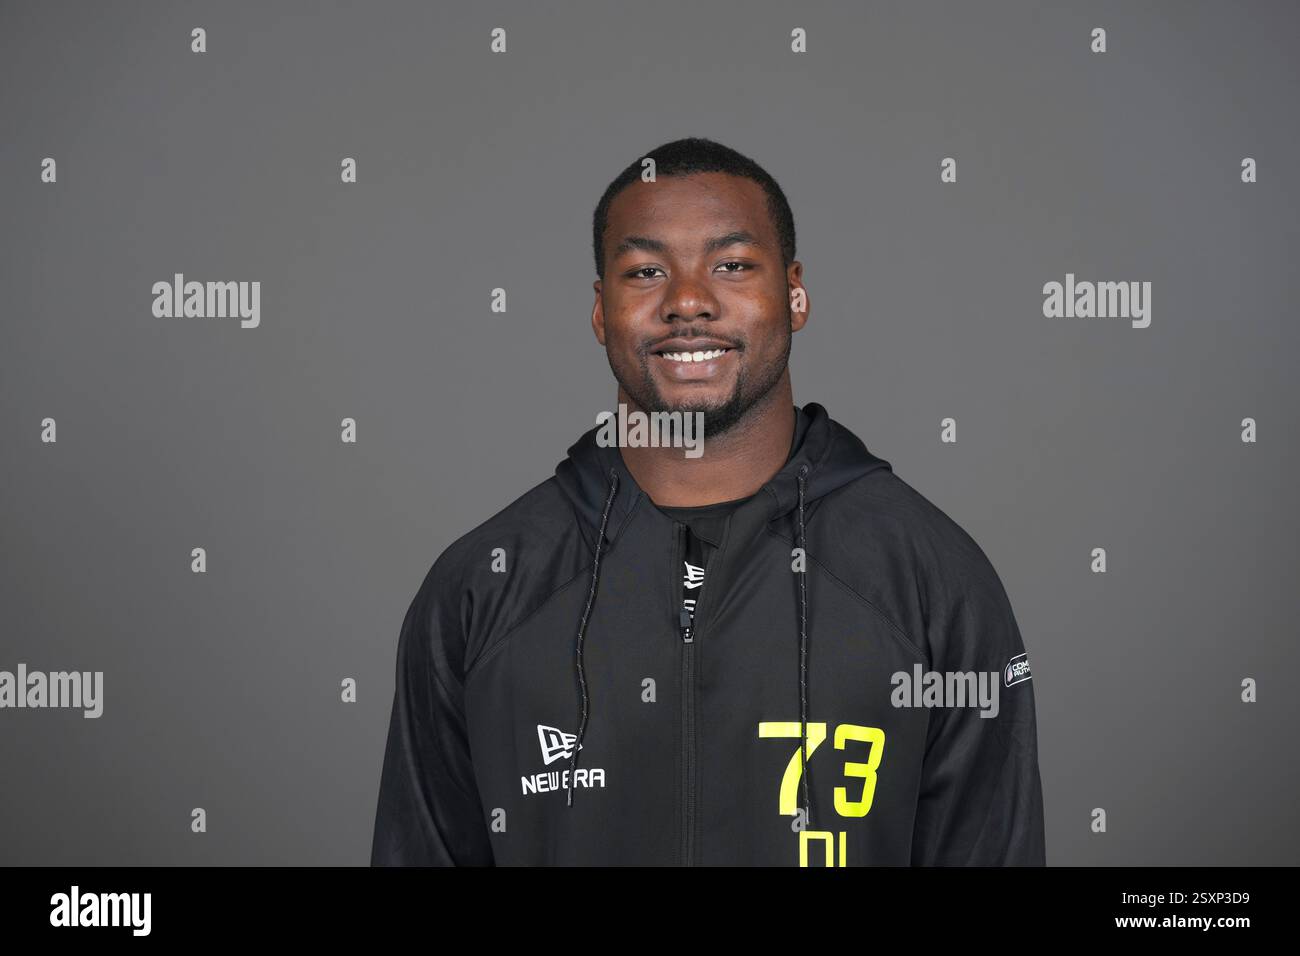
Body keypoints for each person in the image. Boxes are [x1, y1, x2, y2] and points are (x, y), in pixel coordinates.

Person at [370, 137, 1046, 866]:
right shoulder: (483, 588)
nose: (687, 301)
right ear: (601, 310)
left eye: (731, 265)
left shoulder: (930, 579)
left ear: (794, 293)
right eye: (646, 271)